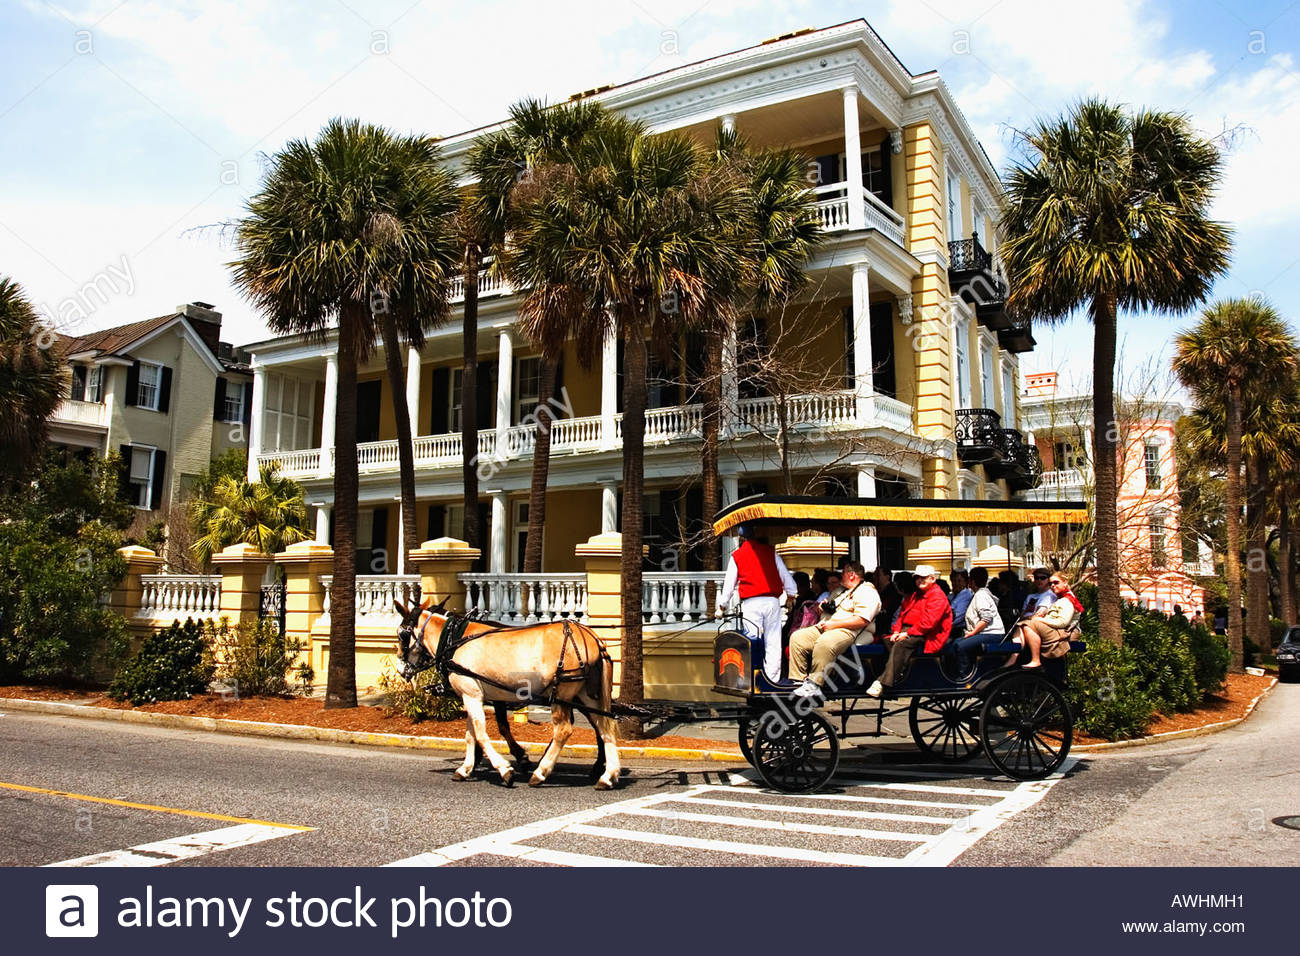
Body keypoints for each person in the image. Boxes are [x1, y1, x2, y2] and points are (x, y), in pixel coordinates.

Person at [789, 561, 881, 699]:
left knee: (825, 642)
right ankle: (798, 680)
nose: (840, 575)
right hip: (825, 625)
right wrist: (821, 608)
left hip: (847, 630)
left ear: (851, 575)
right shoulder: (840, 591)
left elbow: (862, 620)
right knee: (798, 638)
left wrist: (835, 625)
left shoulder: (867, 592)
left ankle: (815, 684)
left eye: (843, 572)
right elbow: (825, 609)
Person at [718, 524, 798, 683]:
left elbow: (729, 586)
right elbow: (785, 576)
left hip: (751, 603)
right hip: (772, 601)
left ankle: (752, 680)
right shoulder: (770, 552)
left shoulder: (737, 555)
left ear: (741, 538)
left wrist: (722, 606)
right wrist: (791, 593)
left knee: (751, 640)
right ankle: (772, 680)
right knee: (773, 642)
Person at [867, 565, 952, 698]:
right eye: (918, 578)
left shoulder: (937, 596)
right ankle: (899, 669)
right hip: (909, 630)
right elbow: (901, 615)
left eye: (923, 578)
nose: (920, 581)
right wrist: (896, 631)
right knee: (887, 639)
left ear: (932, 579)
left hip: (929, 634)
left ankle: (883, 682)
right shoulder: (915, 595)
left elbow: (928, 623)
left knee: (902, 644)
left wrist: (907, 633)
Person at [1009, 571, 1082, 667]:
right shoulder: (1060, 598)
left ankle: (1035, 660)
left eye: (1056, 583)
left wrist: (1040, 620)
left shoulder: (1067, 600)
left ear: (1065, 583)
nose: (1053, 585)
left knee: (1027, 625)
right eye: (1051, 583)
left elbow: (1062, 623)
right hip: (1057, 629)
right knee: (1024, 623)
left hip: (1065, 632)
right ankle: (1014, 657)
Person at [951, 566, 1004, 670]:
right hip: (986, 633)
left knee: (960, 646)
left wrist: (973, 632)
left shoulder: (981, 595)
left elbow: (986, 618)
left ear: (973, 582)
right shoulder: (979, 594)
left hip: (991, 634)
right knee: (956, 642)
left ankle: (964, 672)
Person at [948, 569, 973, 642]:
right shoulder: (950, 596)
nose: (956, 583)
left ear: (965, 582)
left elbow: (959, 616)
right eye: (953, 581)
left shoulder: (967, 595)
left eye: (959, 581)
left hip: (958, 630)